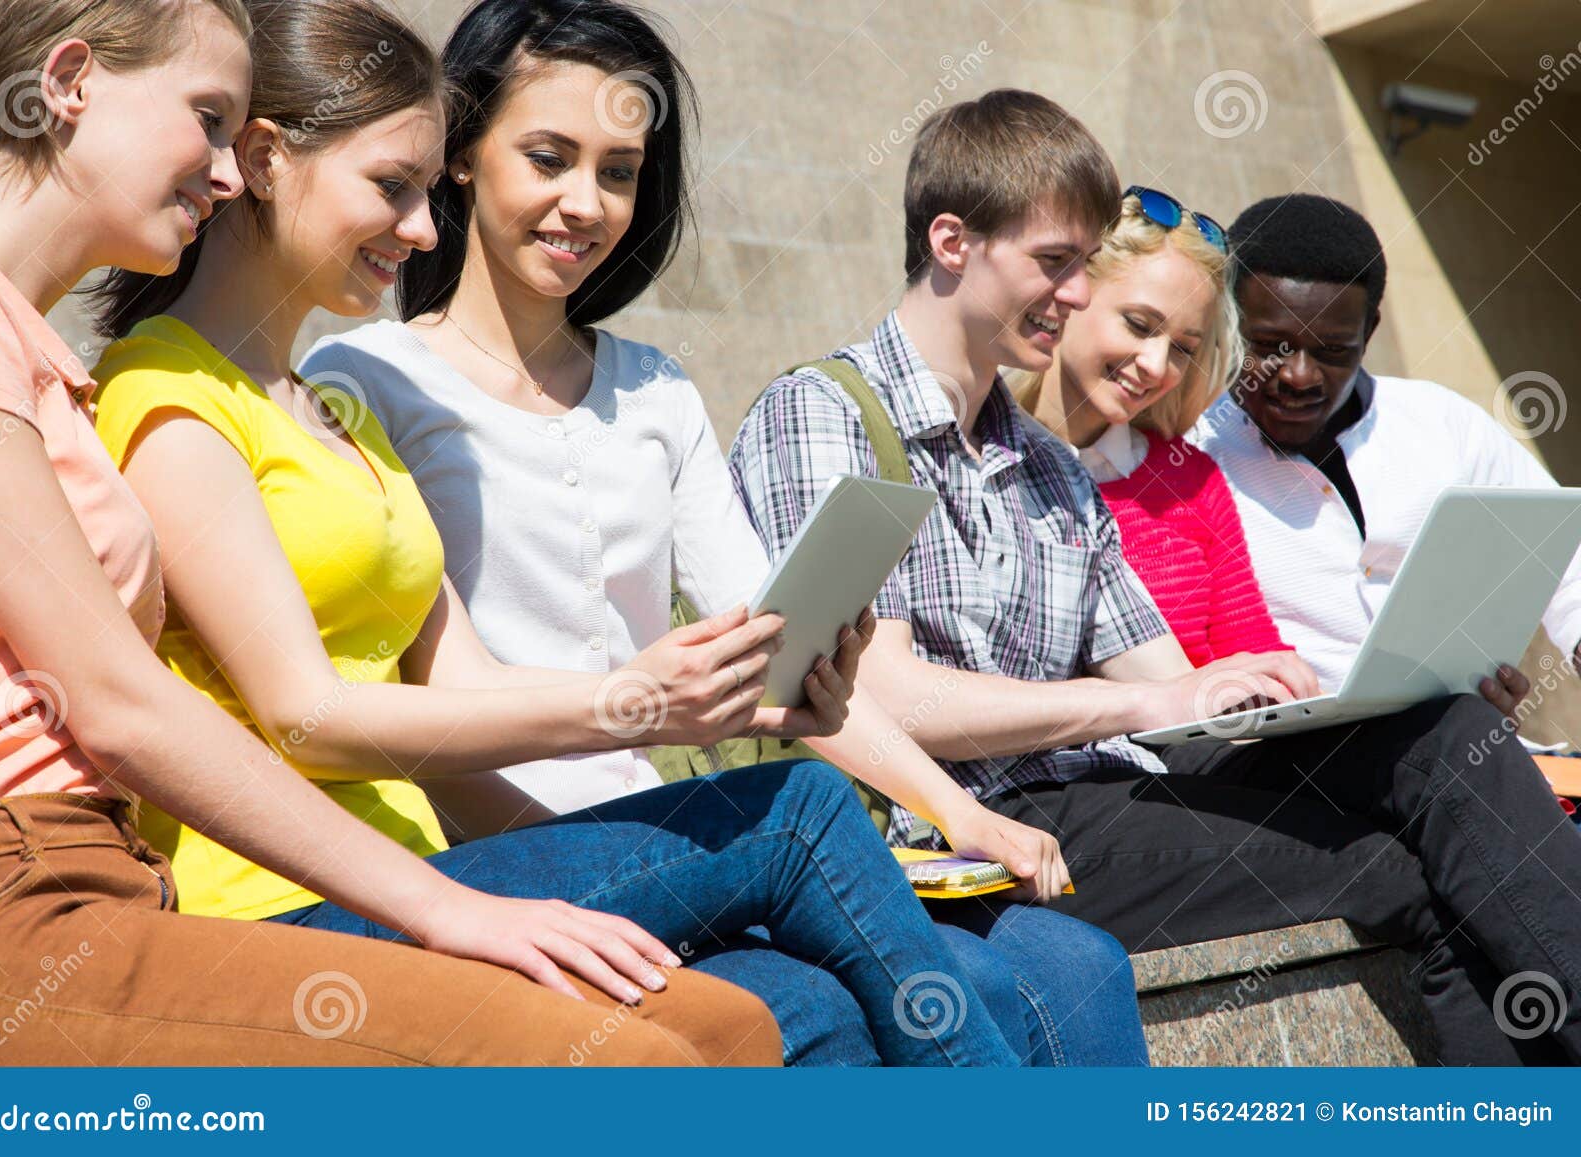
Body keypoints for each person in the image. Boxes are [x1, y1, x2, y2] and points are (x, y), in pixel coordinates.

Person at [88, 0, 1036, 1068]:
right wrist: (628, 701)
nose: (421, 230)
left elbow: (463, 676)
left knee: (806, 1009)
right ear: (266, 163)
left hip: (410, 867)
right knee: (804, 812)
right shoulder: (177, 390)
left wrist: (727, 688)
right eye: (393, 188)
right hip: (283, 900)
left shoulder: (322, 407)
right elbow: (304, 717)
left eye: (421, 189)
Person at [296, 0, 1146, 1068]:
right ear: (460, 158)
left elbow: (772, 637)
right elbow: (412, 699)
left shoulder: (654, 389)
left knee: (1069, 961)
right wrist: (623, 877)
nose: (583, 203)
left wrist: (946, 807)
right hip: (507, 852)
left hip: (677, 828)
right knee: (923, 986)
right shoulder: (364, 381)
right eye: (547, 157)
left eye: (616, 170)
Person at [0, 0, 778, 1067]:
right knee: (655, 1047)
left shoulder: (50, 367)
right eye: (209, 118)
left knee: (726, 1023)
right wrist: (446, 905)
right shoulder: (111, 375)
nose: (222, 172)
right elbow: (135, 707)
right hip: (28, 892)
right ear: (69, 82)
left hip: (113, 870)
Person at [729, 87, 1581, 1065]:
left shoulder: (1048, 466)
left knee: (1444, 735)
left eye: (1086, 268)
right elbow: (883, 699)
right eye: (1060, 265)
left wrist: (1278, 695)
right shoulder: (826, 414)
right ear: (952, 242)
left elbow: (1165, 683)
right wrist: (1135, 704)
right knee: (1398, 872)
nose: (1079, 294)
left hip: (1114, 790)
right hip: (980, 828)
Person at [1191, 192, 1581, 715]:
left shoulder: (1443, 423)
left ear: (1369, 331)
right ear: (1228, 321)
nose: (1298, 376)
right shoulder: (1188, 447)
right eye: (1271, 346)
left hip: (1447, 733)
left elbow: (1561, 547)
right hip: (1269, 757)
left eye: (1332, 352)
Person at [1011, 187, 1289, 667]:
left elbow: (1254, 649)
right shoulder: (979, 461)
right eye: (1140, 325)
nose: (1157, 366)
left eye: (1183, 347)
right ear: (1072, 296)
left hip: (1214, 735)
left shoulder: (1191, 480)